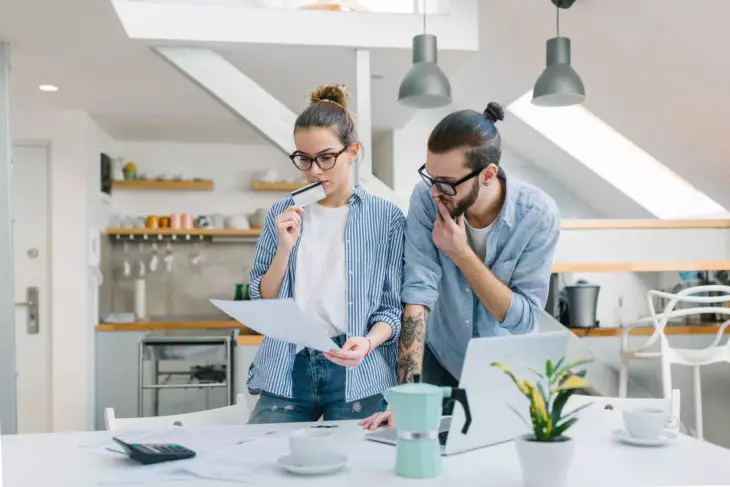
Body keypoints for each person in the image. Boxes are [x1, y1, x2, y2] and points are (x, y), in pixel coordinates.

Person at [360, 102, 561, 429]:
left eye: (447, 182)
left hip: (505, 367)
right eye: (431, 175)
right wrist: (406, 395)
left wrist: (461, 254)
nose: (436, 191)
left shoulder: (537, 216)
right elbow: (417, 294)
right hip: (442, 356)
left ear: (487, 174)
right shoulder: (428, 197)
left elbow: (522, 319)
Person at [247, 84, 405, 424]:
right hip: (288, 366)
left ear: (353, 152)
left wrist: (367, 342)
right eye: (304, 159)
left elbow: (392, 309)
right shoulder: (282, 212)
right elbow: (262, 296)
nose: (314, 171)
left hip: (357, 370)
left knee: (360, 471)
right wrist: (284, 250)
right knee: (259, 465)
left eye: (326, 157)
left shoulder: (386, 218)